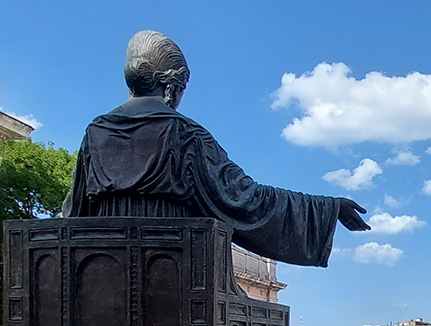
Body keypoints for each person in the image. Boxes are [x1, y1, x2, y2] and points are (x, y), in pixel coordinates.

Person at [62, 30, 369, 266]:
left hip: (104, 276)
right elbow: (247, 200)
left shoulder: (96, 132)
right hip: (170, 270)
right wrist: (327, 208)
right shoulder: (184, 134)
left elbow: (73, 213)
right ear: (171, 88)